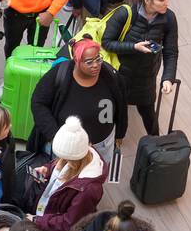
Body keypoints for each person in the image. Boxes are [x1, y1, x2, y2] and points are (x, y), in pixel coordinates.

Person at [30, 35, 128, 173]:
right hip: (66, 148)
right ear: (76, 60)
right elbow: (38, 103)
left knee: (92, 183)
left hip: (102, 147)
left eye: (98, 59)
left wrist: (120, 134)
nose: (95, 65)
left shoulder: (111, 76)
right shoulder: (59, 74)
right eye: (88, 62)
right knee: (61, 182)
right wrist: (55, 136)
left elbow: (122, 105)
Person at [101, 0, 178, 136]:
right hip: (118, 76)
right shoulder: (125, 13)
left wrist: (168, 78)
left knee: (149, 114)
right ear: (147, 0)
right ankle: (109, 142)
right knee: (111, 115)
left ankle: (156, 145)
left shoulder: (169, 18)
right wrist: (134, 47)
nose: (167, 3)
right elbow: (106, 42)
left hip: (146, 77)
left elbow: (170, 52)